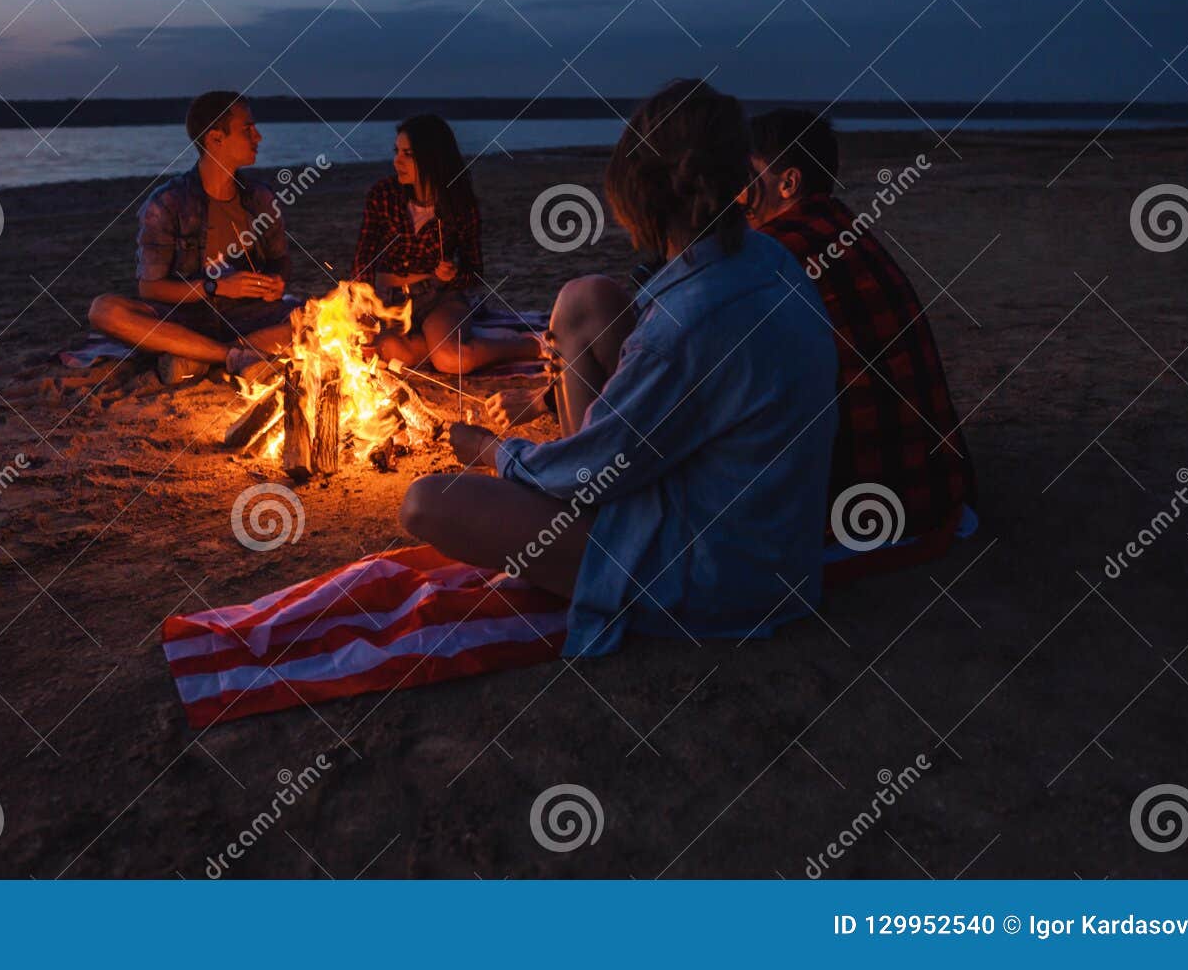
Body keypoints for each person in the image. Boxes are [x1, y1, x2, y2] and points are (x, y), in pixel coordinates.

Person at [400, 81, 838, 656]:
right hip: (775, 545)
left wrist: (487, 449)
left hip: (715, 577)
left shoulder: (688, 321)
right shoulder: (766, 257)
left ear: (640, 192)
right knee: (586, 301)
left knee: (426, 504)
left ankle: (605, 573)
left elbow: (591, 468)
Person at [741, 109, 976, 574]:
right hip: (932, 487)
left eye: (744, 177)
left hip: (861, 500)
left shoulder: (775, 251)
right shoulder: (842, 229)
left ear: (787, 183)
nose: (734, 194)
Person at [88, 91, 295, 386]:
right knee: (104, 310)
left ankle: (197, 357)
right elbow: (150, 289)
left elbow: (280, 261)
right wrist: (216, 287)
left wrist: (276, 281)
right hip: (185, 318)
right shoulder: (167, 202)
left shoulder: (260, 199)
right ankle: (229, 355)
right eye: (247, 129)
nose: (258, 137)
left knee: (320, 317)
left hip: (249, 316)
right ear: (215, 139)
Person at [351, 115, 541, 374]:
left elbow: (474, 272)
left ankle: (526, 346)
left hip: (439, 298)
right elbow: (364, 256)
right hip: (390, 302)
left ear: (432, 157)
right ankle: (441, 346)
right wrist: (363, 301)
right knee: (385, 352)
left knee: (452, 360)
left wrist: (452, 275)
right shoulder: (383, 194)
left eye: (408, 154)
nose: (397, 160)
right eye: (397, 151)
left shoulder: (459, 204)